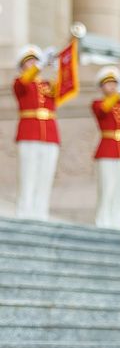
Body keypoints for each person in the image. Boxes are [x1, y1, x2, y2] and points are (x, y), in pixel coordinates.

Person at [13, 46, 61, 220]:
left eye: (35, 60)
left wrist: (59, 68)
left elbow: (65, 89)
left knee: (45, 176)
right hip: (29, 133)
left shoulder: (48, 86)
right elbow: (25, 81)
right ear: (22, 66)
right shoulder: (20, 82)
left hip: (50, 135)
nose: (33, 64)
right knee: (28, 175)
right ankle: (24, 212)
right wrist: (40, 65)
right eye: (29, 62)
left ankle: (41, 213)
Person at [92, 66, 120, 229]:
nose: (112, 87)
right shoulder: (98, 103)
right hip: (107, 149)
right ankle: (102, 221)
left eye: (115, 84)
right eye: (108, 84)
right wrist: (119, 94)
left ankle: (117, 223)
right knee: (106, 188)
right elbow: (103, 110)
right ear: (101, 87)